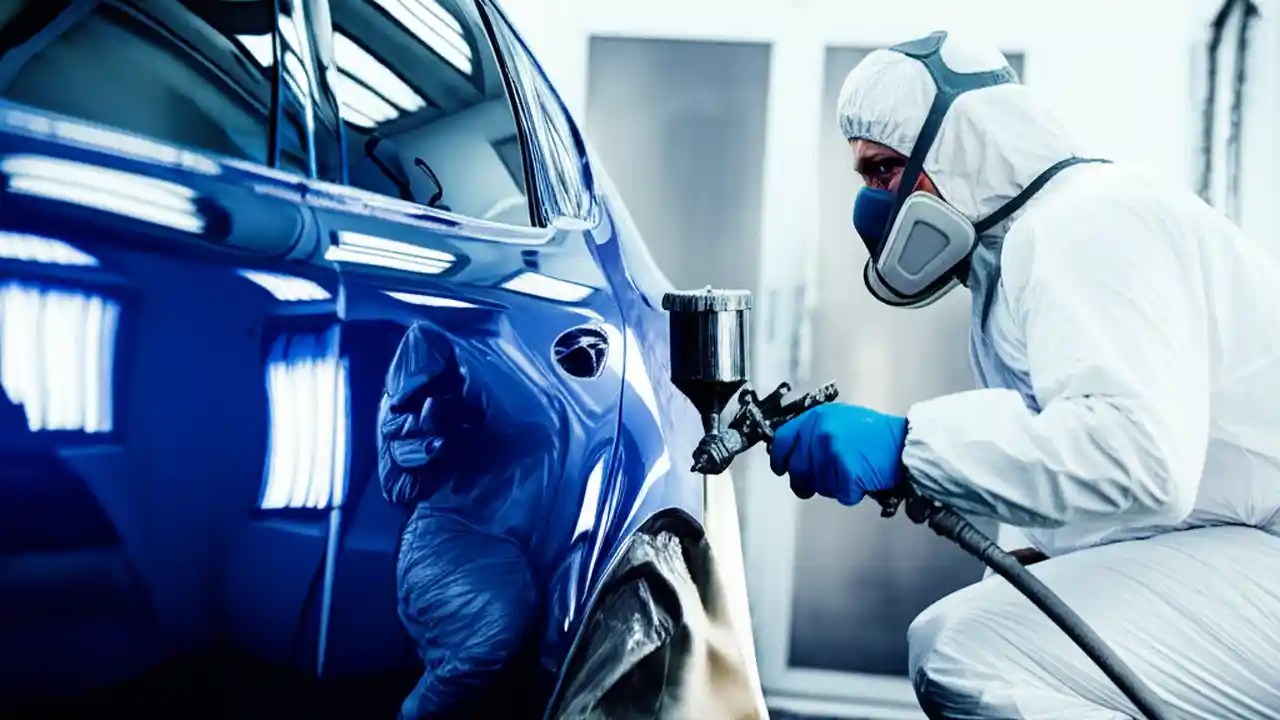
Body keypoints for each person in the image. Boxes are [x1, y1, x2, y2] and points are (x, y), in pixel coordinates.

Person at [768, 29, 1280, 719]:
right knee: (993, 621)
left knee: (969, 651)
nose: (872, 203)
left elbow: (1140, 459)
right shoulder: (1017, 261)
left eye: (883, 170)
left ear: (957, 148)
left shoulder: (1088, 221)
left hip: (1263, 553)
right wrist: (1033, 552)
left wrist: (907, 447)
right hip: (1242, 546)